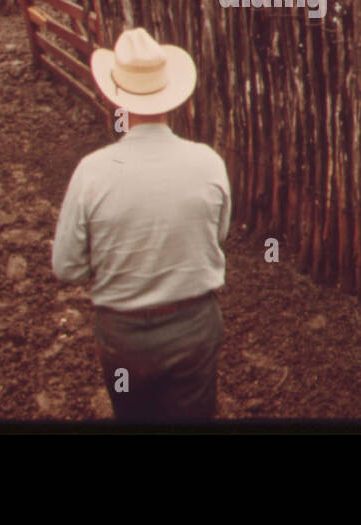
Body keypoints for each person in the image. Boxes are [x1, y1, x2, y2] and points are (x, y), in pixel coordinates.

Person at [52, 27, 230, 421]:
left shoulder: (91, 172)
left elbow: (66, 268)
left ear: (115, 98)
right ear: (172, 96)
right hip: (194, 328)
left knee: (131, 412)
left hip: (122, 338)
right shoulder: (208, 163)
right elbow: (217, 236)